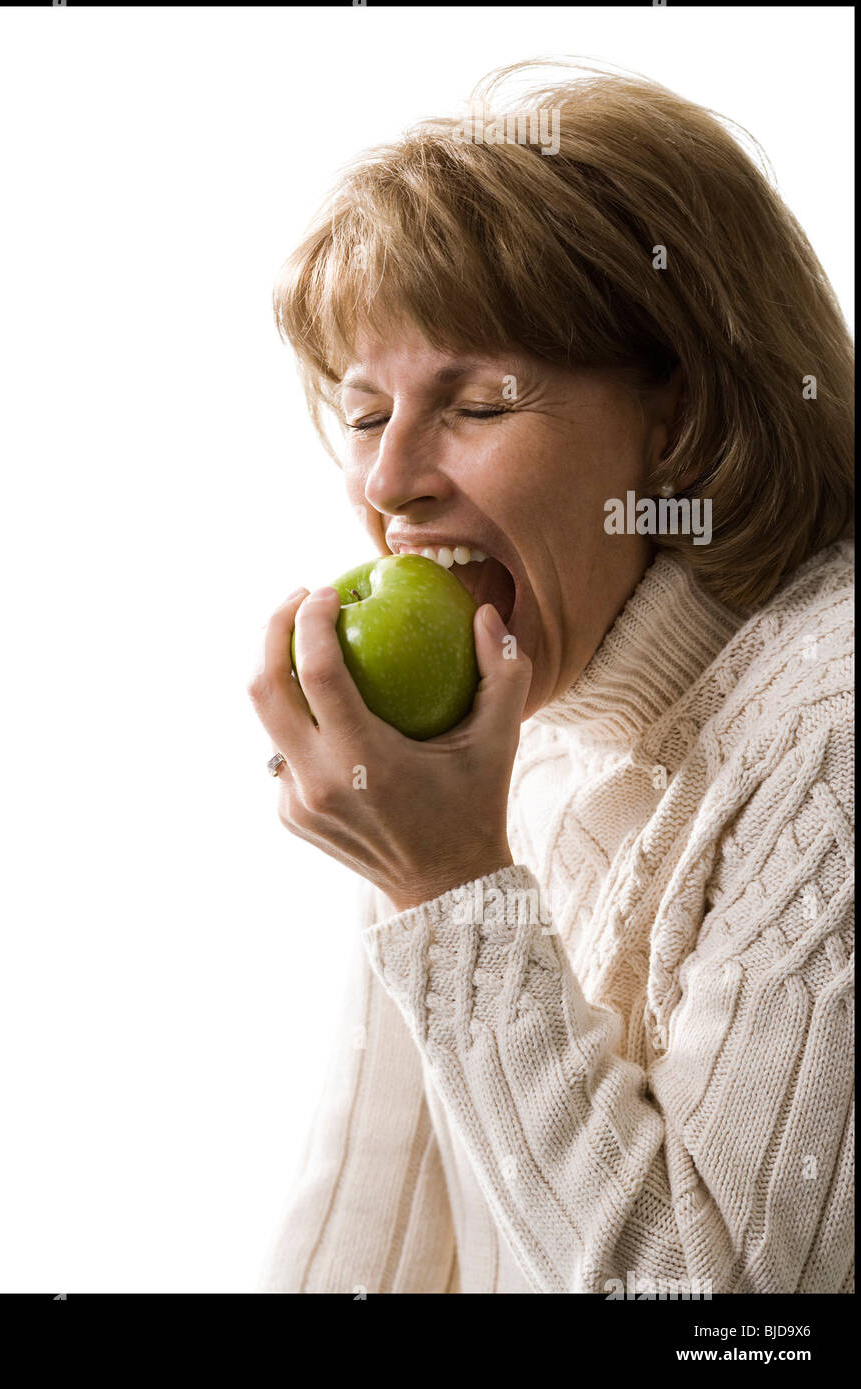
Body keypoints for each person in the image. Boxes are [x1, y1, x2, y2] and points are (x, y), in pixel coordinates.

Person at [248, 60, 854, 1294]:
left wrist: (448, 886)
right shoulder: (491, 737)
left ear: (676, 423)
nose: (389, 481)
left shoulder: (829, 722)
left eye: (475, 403)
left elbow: (727, 1311)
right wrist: (432, 870)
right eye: (366, 417)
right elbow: (370, 1217)